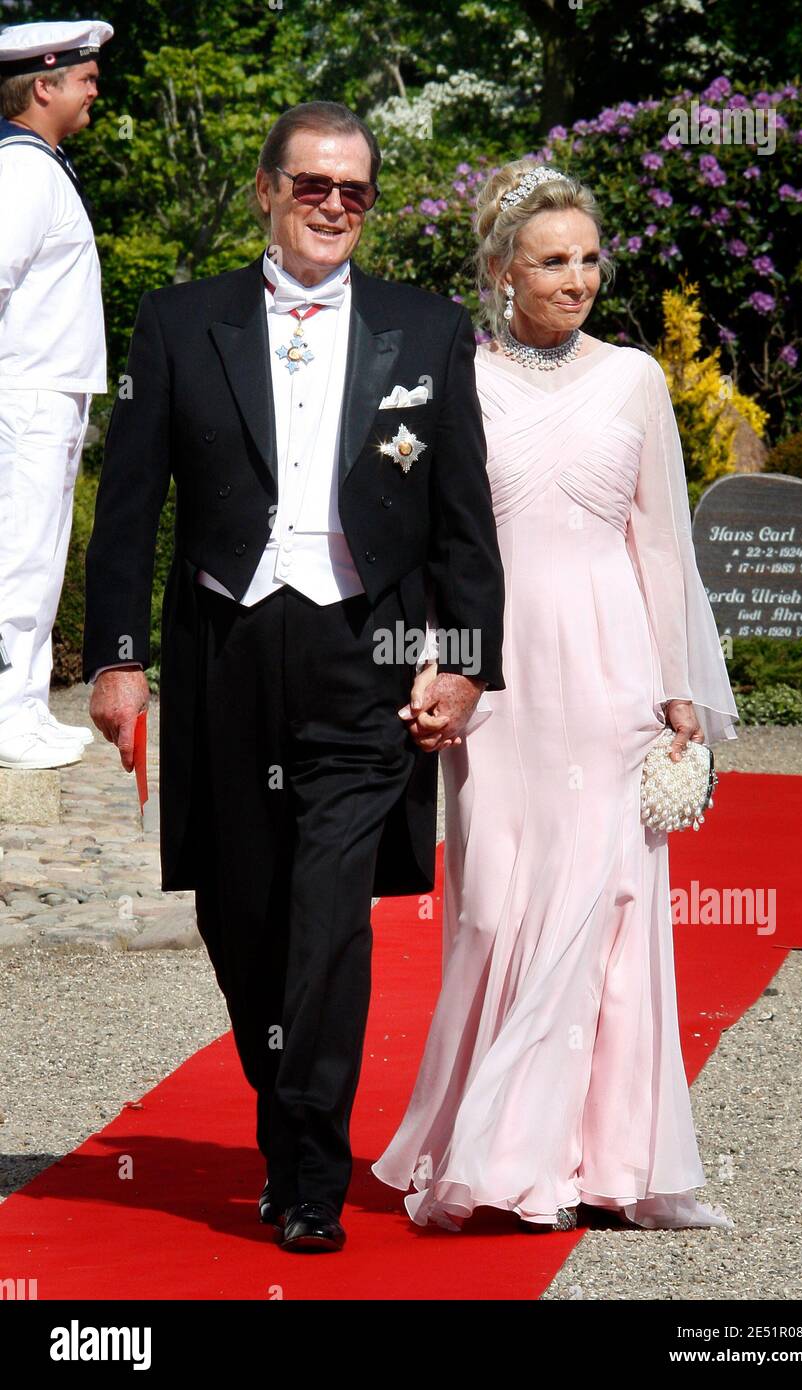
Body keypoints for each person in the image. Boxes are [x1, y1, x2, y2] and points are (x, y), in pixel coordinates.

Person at [83, 102, 505, 1253]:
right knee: (241, 910)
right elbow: (129, 513)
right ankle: (287, 1121)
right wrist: (116, 660)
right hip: (226, 649)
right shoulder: (179, 323)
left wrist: (462, 665)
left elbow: (463, 520)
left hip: (364, 654)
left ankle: (312, 1165)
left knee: (329, 915)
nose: (333, 207)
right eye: (312, 185)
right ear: (268, 189)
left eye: (355, 192)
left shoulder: (425, 329)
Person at [372, 159, 740, 1233]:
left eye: (587, 258)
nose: (576, 279)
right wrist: (433, 657)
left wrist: (676, 687)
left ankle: (599, 1165)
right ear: (499, 270)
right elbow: (425, 537)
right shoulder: (456, 377)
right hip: (496, 669)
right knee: (489, 905)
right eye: (551, 260)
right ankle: (480, 1146)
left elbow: (659, 543)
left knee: (603, 913)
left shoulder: (631, 378)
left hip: (611, 670)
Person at [0, 19, 113, 769]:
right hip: (27, 391)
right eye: (86, 79)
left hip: (49, 391)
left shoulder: (41, 166)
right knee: (20, 556)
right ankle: (8, 717)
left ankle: (27, 706)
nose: (95, 90)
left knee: (39, 556)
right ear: (44, 85)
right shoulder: (23, 172)